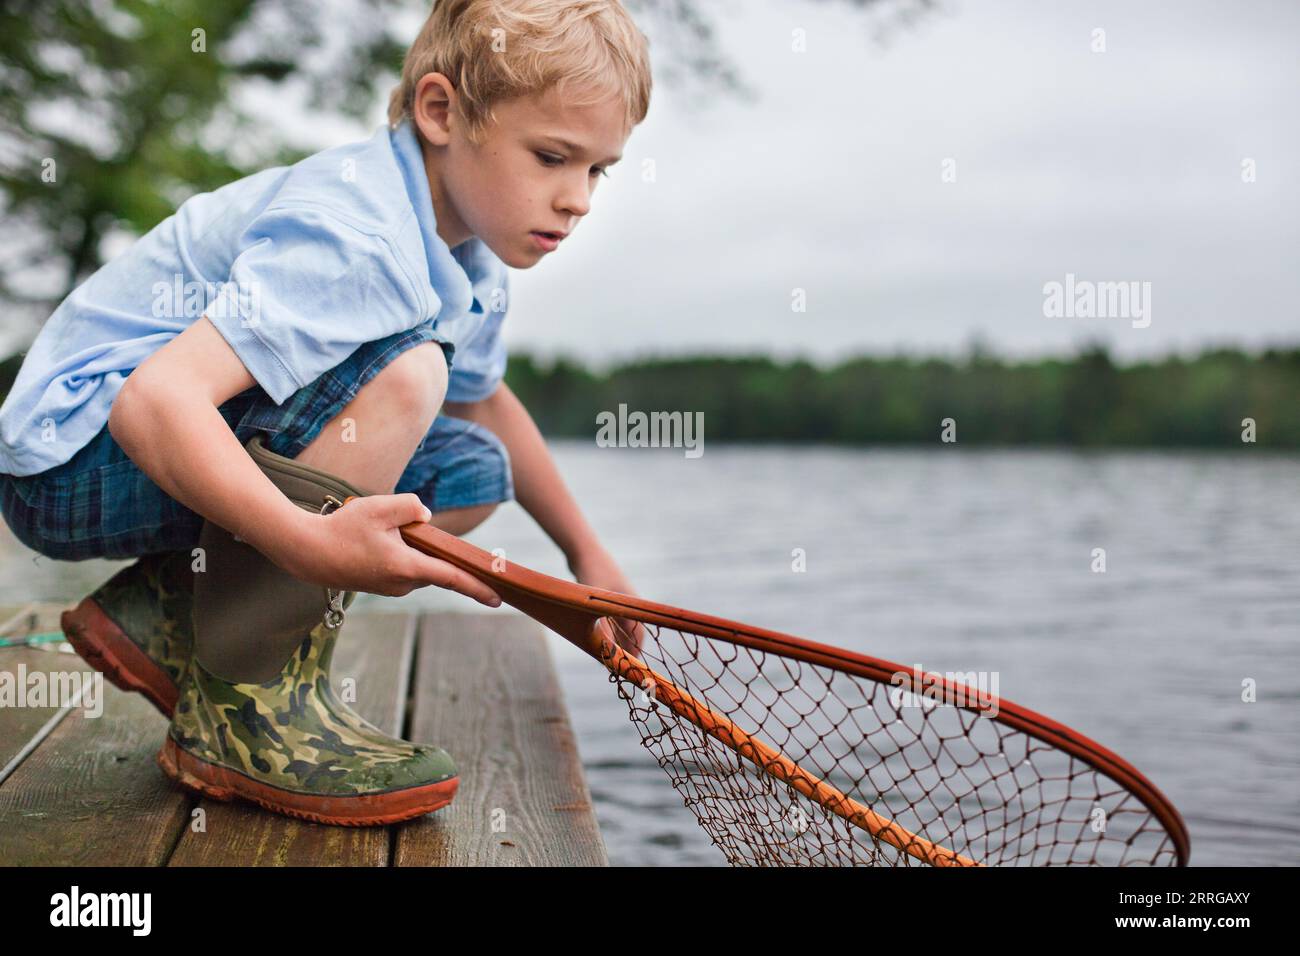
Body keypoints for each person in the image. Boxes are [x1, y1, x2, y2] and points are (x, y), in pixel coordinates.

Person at [0, 0, 651, 826]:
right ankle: (247, 706)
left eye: (598, 170)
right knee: (412, 372)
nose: (579, 199)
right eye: (552, 156)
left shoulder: (473, 256)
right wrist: (309, 544)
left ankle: (167, 611)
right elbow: (154, 400)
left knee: (473, 469)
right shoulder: (356, 235)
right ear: (441, 111)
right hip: (71, 460)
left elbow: (485, 402)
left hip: (157, 440)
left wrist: (587, 555)